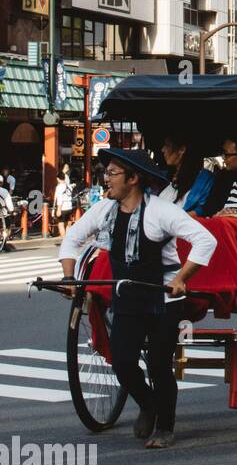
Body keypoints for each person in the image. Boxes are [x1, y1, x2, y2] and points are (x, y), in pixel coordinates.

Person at [59, 148, 217, 449]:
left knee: (159, 364)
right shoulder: (105, 209)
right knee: (122, 361)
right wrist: (70, 277)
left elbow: (205, 239)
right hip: (128, 295)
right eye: (108, 173)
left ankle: (166, 427)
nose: (107, 179)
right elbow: (72, 238)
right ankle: (147, 403)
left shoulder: (160, 211)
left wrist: (182, 278)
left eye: (113, 173)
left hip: (163, 299)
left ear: (133, 179)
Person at [157, 136, 214, 213]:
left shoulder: (204, 179)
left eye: (167, 145)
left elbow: (199, 211)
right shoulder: (165, 176)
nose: (163, 150)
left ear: (182, 150)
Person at [53, 164, 76, 240]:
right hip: (69, 207)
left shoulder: (59, 187)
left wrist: (58, 209)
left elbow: (59, 198)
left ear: (58, 178)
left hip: (62, 208)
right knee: (67, 224)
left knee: (61, 224)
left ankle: (64, 241)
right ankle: (68, 240)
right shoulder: (69, 186)